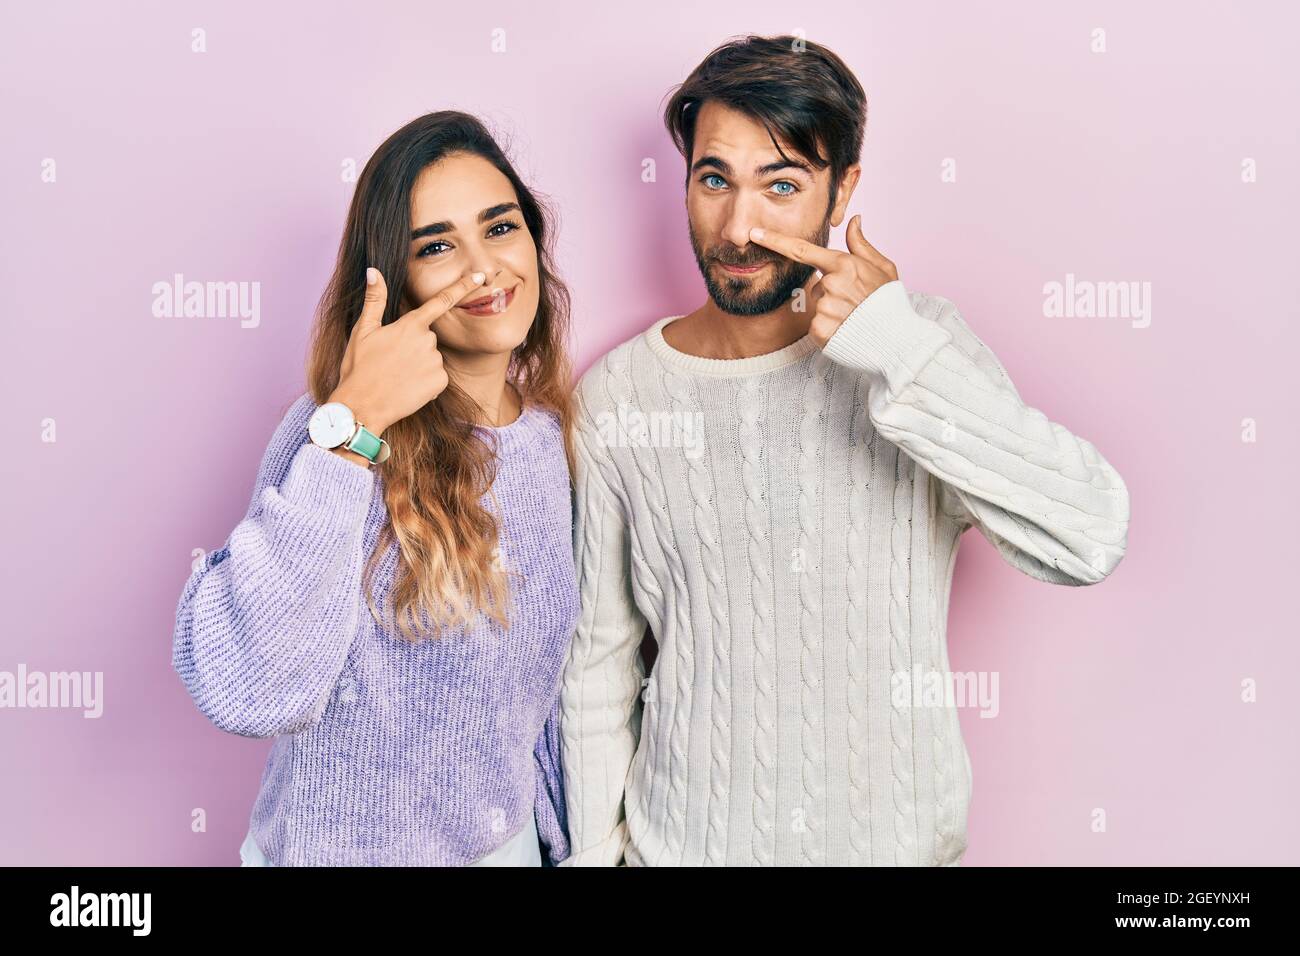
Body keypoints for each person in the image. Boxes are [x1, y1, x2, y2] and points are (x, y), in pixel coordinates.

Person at [557, 35, 1131, 866]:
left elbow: (1089, 534)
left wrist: (893, 346)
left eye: (781, 185)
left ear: (843, 189)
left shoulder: (920, 348)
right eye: (713, 179)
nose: (738, 226)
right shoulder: (618, 398)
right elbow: (596, 671)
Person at [172, 110, 579, 866]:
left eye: (500, 228)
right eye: (437, 246)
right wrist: (354, 426)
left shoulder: (548, 441)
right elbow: (248, 688)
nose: (483, 269)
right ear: (393, 278)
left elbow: (533, 705)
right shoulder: (335, 433)